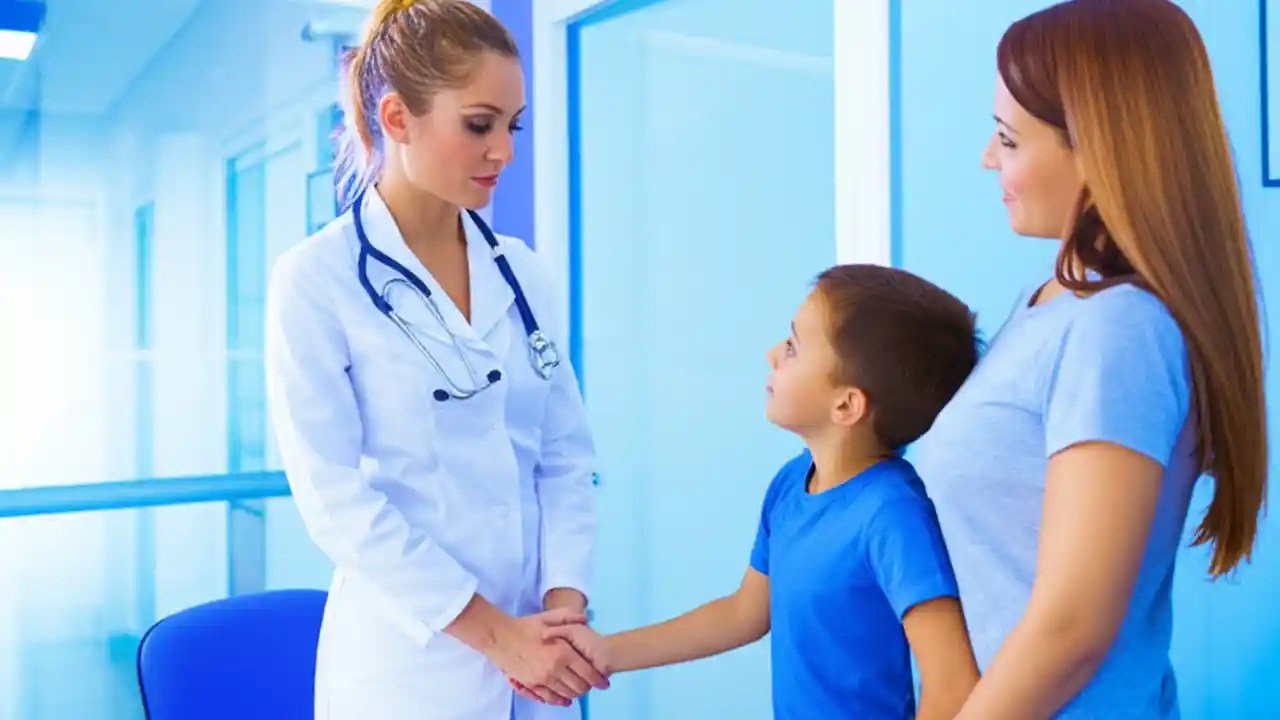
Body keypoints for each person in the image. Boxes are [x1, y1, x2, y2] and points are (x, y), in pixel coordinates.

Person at [909, 1, 1269, 717]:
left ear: (1099, 150)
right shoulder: (1048, 306)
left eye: (1008, 139)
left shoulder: (1119, 330)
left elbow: (1071, 629)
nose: (988, 158)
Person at [263, 1, 606, 717]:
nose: (504, 152)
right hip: (407, 668)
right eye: (479, 125)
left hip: (540, 657)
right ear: (396, 119)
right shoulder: (317, 280)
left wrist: (561, 615)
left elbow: (565, 459)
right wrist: (496, 637)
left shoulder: (521, 273)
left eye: (512, 127)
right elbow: (335, 500)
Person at [522, 265, 983, 719]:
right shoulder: (792, 483)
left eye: (793, 347)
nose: (771, 354)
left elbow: (952, 683)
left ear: (846, 405)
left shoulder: (893, 515)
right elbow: (744, 613)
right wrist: (606, 652)